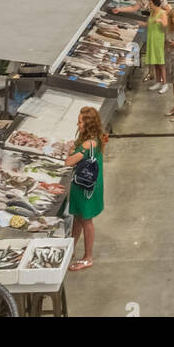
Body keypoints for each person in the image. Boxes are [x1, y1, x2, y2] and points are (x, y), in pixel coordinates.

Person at [64, 106, 107, 271]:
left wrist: (71, 153)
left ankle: (88, 257)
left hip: (86, 188)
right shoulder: (93, 137)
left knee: (86, 220)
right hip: (88, 184)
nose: (77, 124)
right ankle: (71, 249)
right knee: (78, 218)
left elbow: (69, 160)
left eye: (80, 121)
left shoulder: (89, 143)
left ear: (88, 124)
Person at [145, 0, 169, 95]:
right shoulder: (152, 12)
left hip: (159, 40)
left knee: (161, 63)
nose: (149, 5)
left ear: (155, 4)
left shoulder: (162, 13)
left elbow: (166, 26)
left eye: (150, 3)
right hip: (152, 39)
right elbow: (149, 24)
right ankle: (158, 82)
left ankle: (165, 83)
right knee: (155, 61)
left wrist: (159, 21)